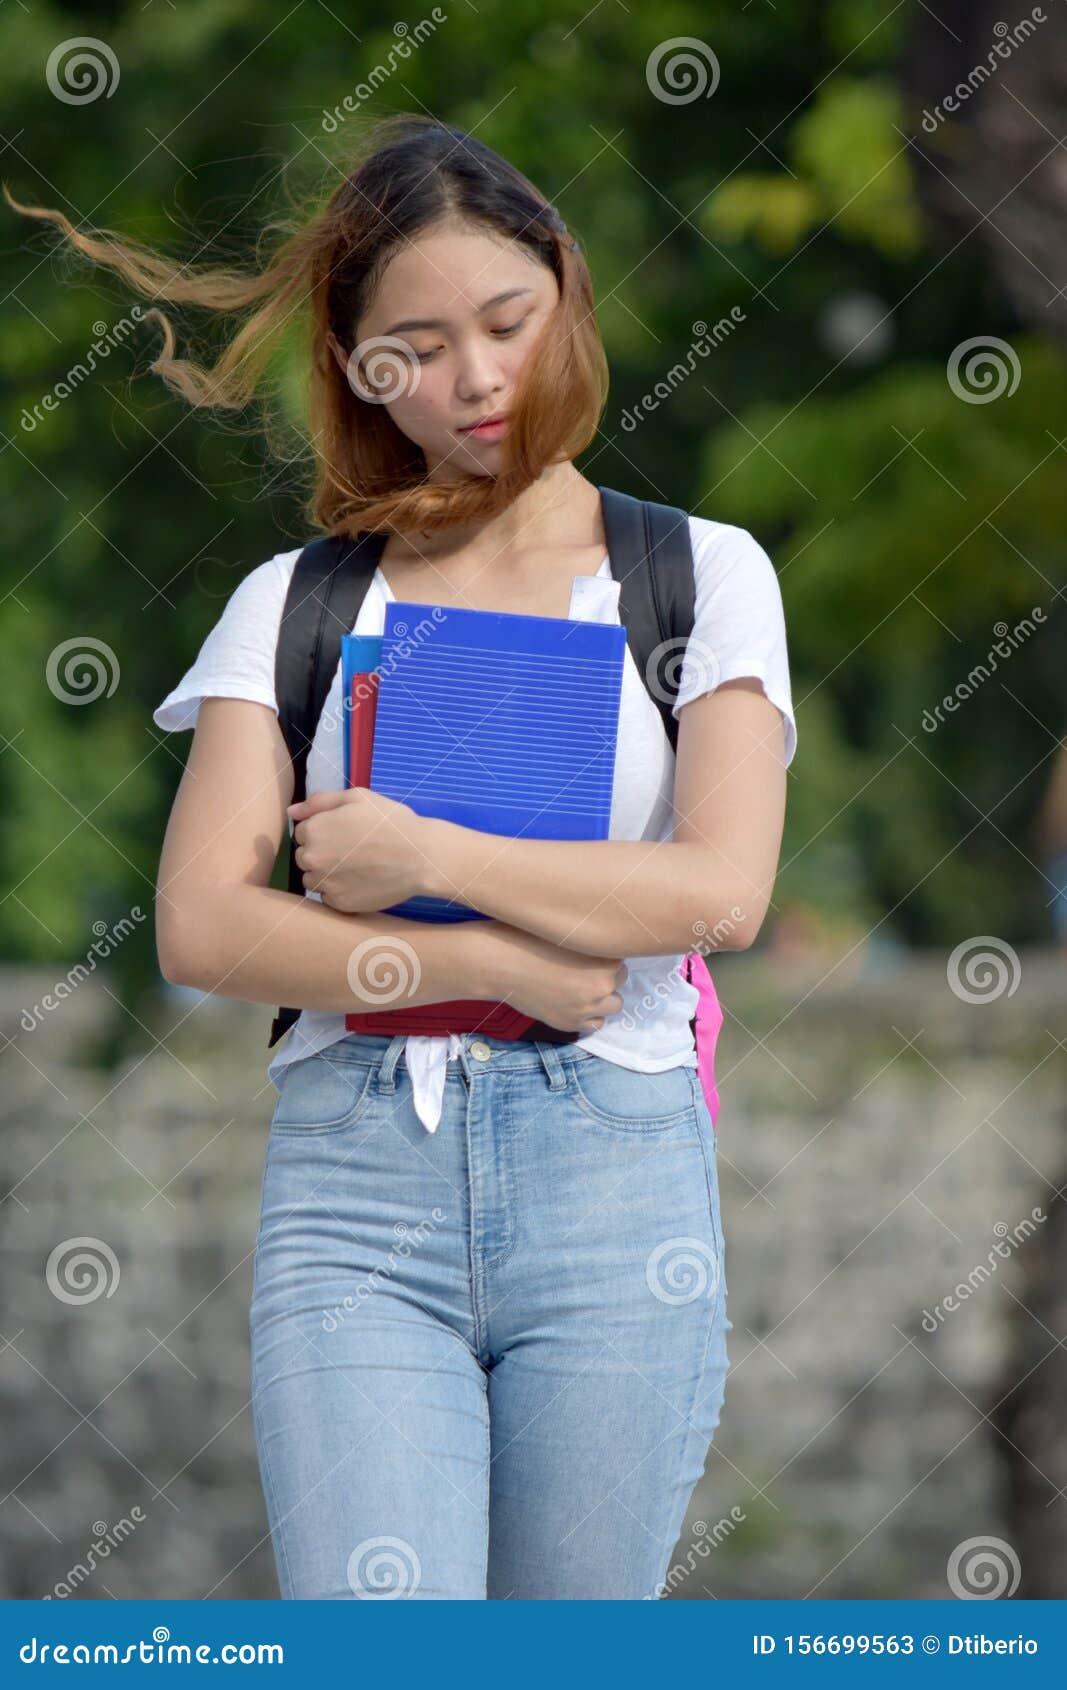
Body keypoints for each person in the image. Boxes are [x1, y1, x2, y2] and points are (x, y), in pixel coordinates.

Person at [9, 114, 796, 1599]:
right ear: (359, 369)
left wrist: (429, 850)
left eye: (508, 321)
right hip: (356, 1190)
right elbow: (201, 927)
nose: (478, 379)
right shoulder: (297, 603)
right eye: (416, 351)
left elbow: (722, 891)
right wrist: (490, 962)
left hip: (614, 1182)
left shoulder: (699, 575)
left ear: (568, 290)